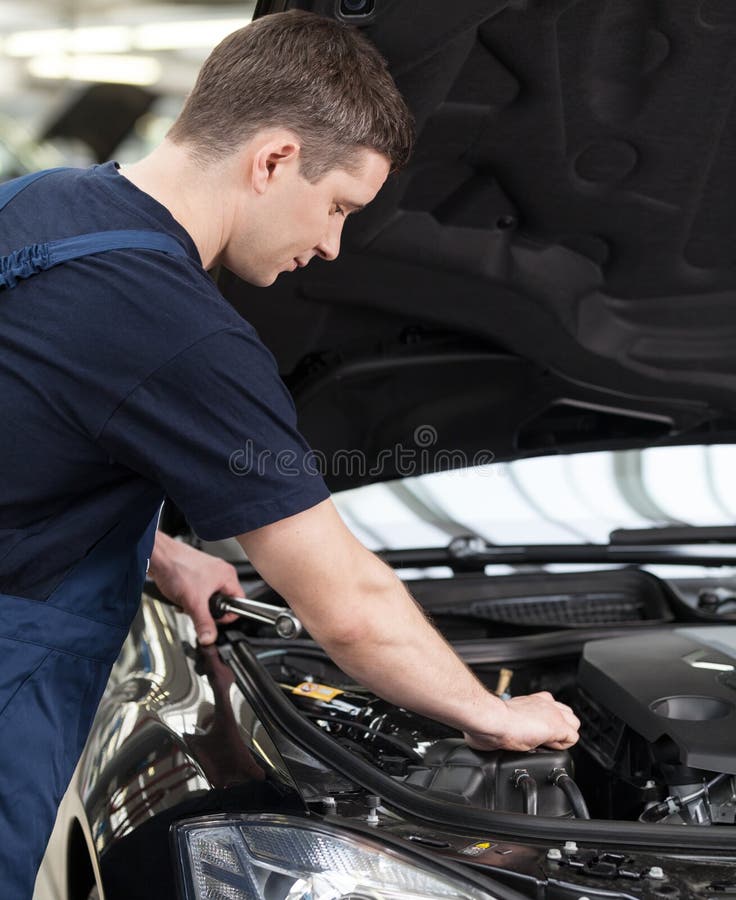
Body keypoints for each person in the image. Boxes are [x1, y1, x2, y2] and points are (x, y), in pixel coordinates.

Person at [0, 10, 579, 895]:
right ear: (272, 160)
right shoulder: (184, 336)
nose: (334, 245)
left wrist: (157, 552)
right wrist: (493, 714)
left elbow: (31, 428)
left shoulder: (38, 202)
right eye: (340, 205)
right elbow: (345, 604)